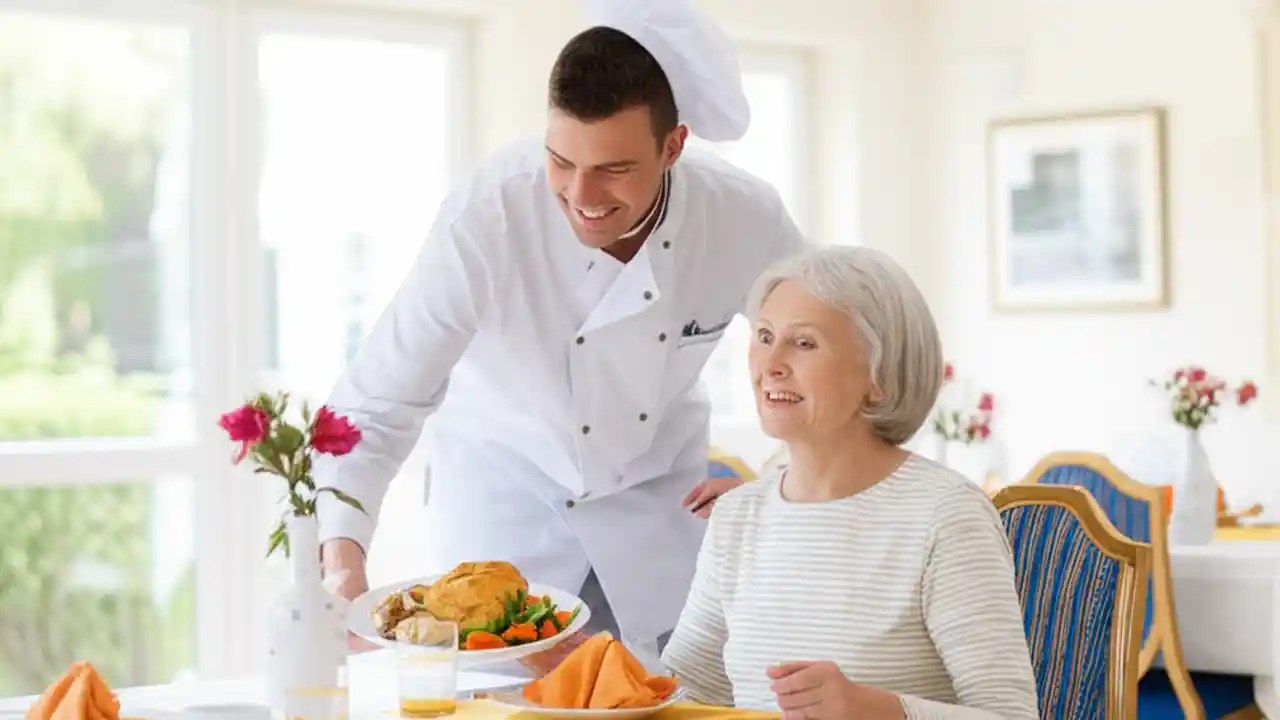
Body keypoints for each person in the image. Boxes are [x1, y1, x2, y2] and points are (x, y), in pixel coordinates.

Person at [314, 0, 808, 669]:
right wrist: (343, 556)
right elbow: (377, 403)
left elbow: (833, 347)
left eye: (613, 169)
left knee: (663, 700)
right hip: (507, 532)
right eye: (560, 160)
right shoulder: (488, 216)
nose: (581, 194)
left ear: (674, 147)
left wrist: (789, 480)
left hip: (656, 524)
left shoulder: (741, 217)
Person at [661, 246, 1039, 719]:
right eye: (763, 335)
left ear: (878, 376)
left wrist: (880, 710)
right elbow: (680, 693)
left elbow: (1011, 715)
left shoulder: (945, 515)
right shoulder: (738, 514)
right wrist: (568, 671)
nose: (770, 364)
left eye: (804, 343)